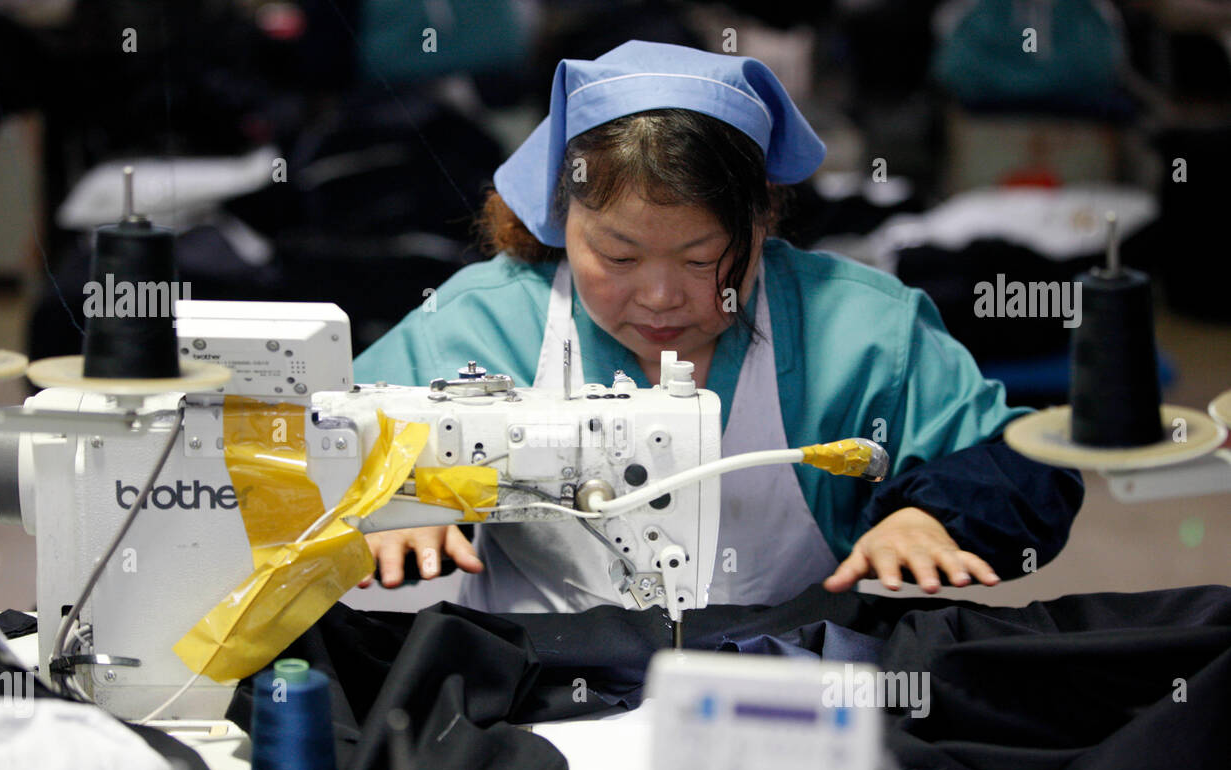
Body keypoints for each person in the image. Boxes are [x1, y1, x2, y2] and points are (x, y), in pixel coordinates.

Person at [351, 40, 1084, 612]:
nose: (663, 297)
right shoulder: (485, 322)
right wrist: (390, 496)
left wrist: (931, 517)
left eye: (703, 257)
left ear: (764, 217)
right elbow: (299, 446)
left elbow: (1023, 468)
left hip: (784, 700)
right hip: (533, 705)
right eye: (618, 254)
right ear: (560, 217)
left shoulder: (860, 331)